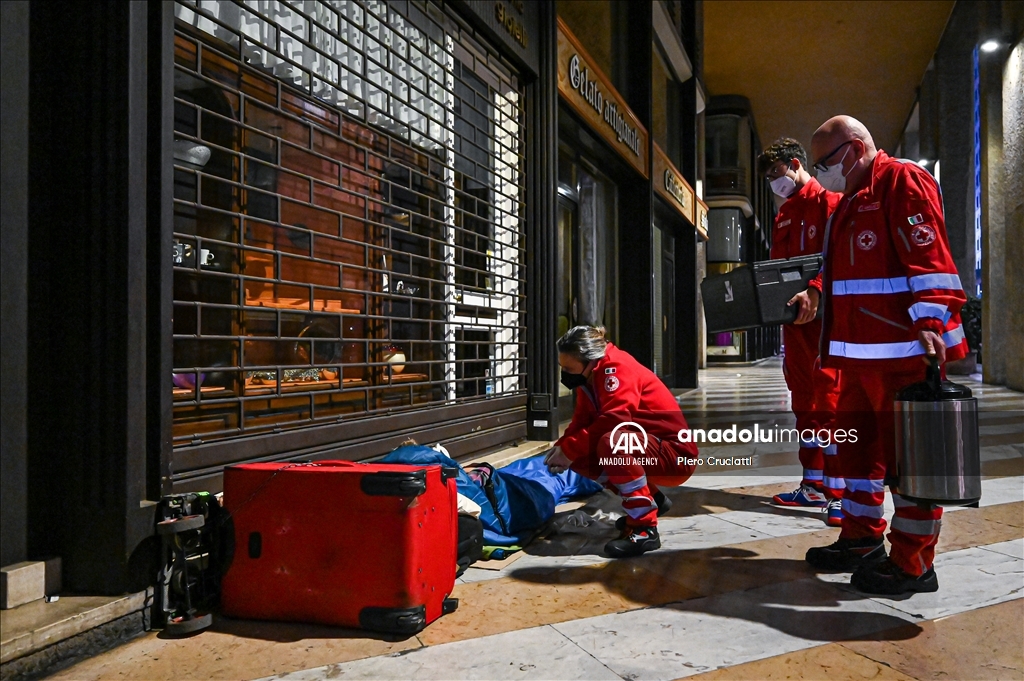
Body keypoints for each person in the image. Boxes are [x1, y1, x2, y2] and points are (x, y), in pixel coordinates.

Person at [789, 115, 968, 595]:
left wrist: (932, 321)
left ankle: (912, 564)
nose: (821, 172)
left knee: (910, 465)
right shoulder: (851, 201)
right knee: (856, 456)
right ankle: (861, 538)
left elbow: (930, 257)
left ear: (854, 147)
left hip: (904, 358)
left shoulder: (900, 180)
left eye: (824, 162)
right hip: (857, 359)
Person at [543, 326, 699, 558]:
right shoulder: (591, 376)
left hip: (676, 456)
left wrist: (569, 449)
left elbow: (615, 419)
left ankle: (644, 527)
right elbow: (581, 421)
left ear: (590, 361)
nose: (564, 373)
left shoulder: (617, 369)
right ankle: (652, 498)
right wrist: (563, 448)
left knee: (613, 441)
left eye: (568, 368)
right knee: (577, 455)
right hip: (649, 448)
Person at [758, 138, 844, 525]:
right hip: (794, 328)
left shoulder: (831, 205)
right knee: (804, 405)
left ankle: (841, 493)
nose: (774, 183)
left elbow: (841, 262)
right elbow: (780, 270)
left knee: (831, 405)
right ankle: (813, 485)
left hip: (825, 324)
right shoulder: (786, 213)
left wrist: (816, 290)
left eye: (776, 174)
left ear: (794, 164)